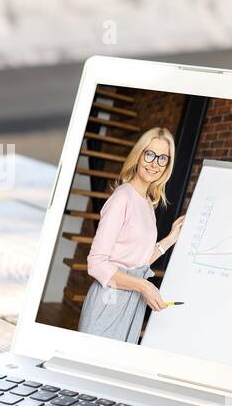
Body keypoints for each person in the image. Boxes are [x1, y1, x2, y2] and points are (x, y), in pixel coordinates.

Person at [78, 129, 184, 343]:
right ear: (139, 154)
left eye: (163, 158)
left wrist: (170, 239)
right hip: (109, 301)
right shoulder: (122, 198)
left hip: (131, 303)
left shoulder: (147, 202)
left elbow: (137, 261)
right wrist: (144, 285)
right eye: (150, 154)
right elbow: (96, 264)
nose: (155, 164)